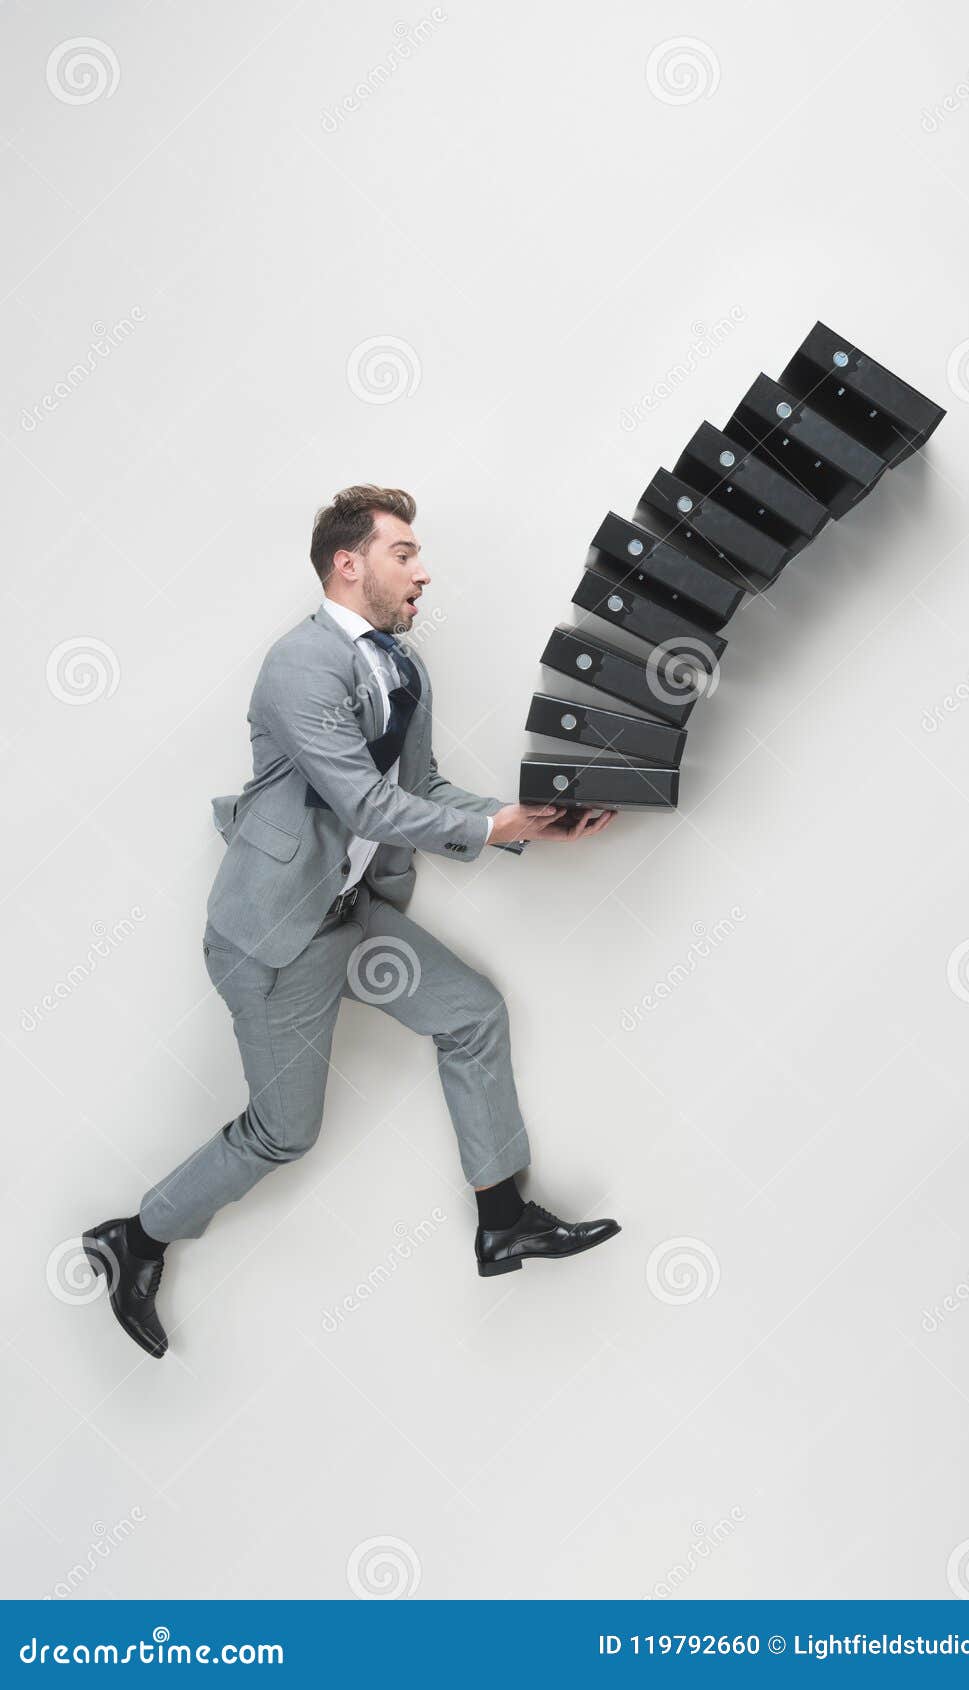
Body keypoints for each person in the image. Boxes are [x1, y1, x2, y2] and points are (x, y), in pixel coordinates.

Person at [83, 484, 621, 1357]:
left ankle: (502, 1221)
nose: (422, 571)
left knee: (473, 1013)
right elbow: (365, 804)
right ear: (348, 563)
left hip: (350, 921)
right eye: (403, 554)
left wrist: (528, 823)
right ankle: (135, 1238)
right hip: (274, 941)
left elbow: (422, 788)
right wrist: (494, 830)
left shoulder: (403, 666)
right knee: (283, 1134)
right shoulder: (300, 664)